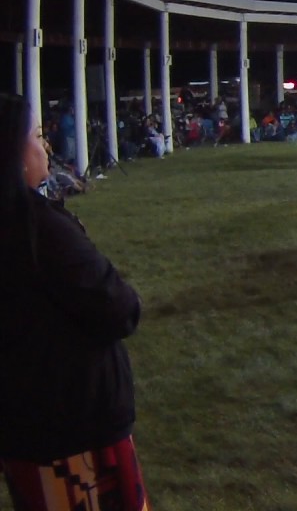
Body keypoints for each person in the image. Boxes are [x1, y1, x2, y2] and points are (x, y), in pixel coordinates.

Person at [0, 94, 149, 511]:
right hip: (72, 431)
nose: (46, 146)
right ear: (11, 153)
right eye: (37, 136)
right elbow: (117, 308)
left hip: (24, 426)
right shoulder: (37, 228)